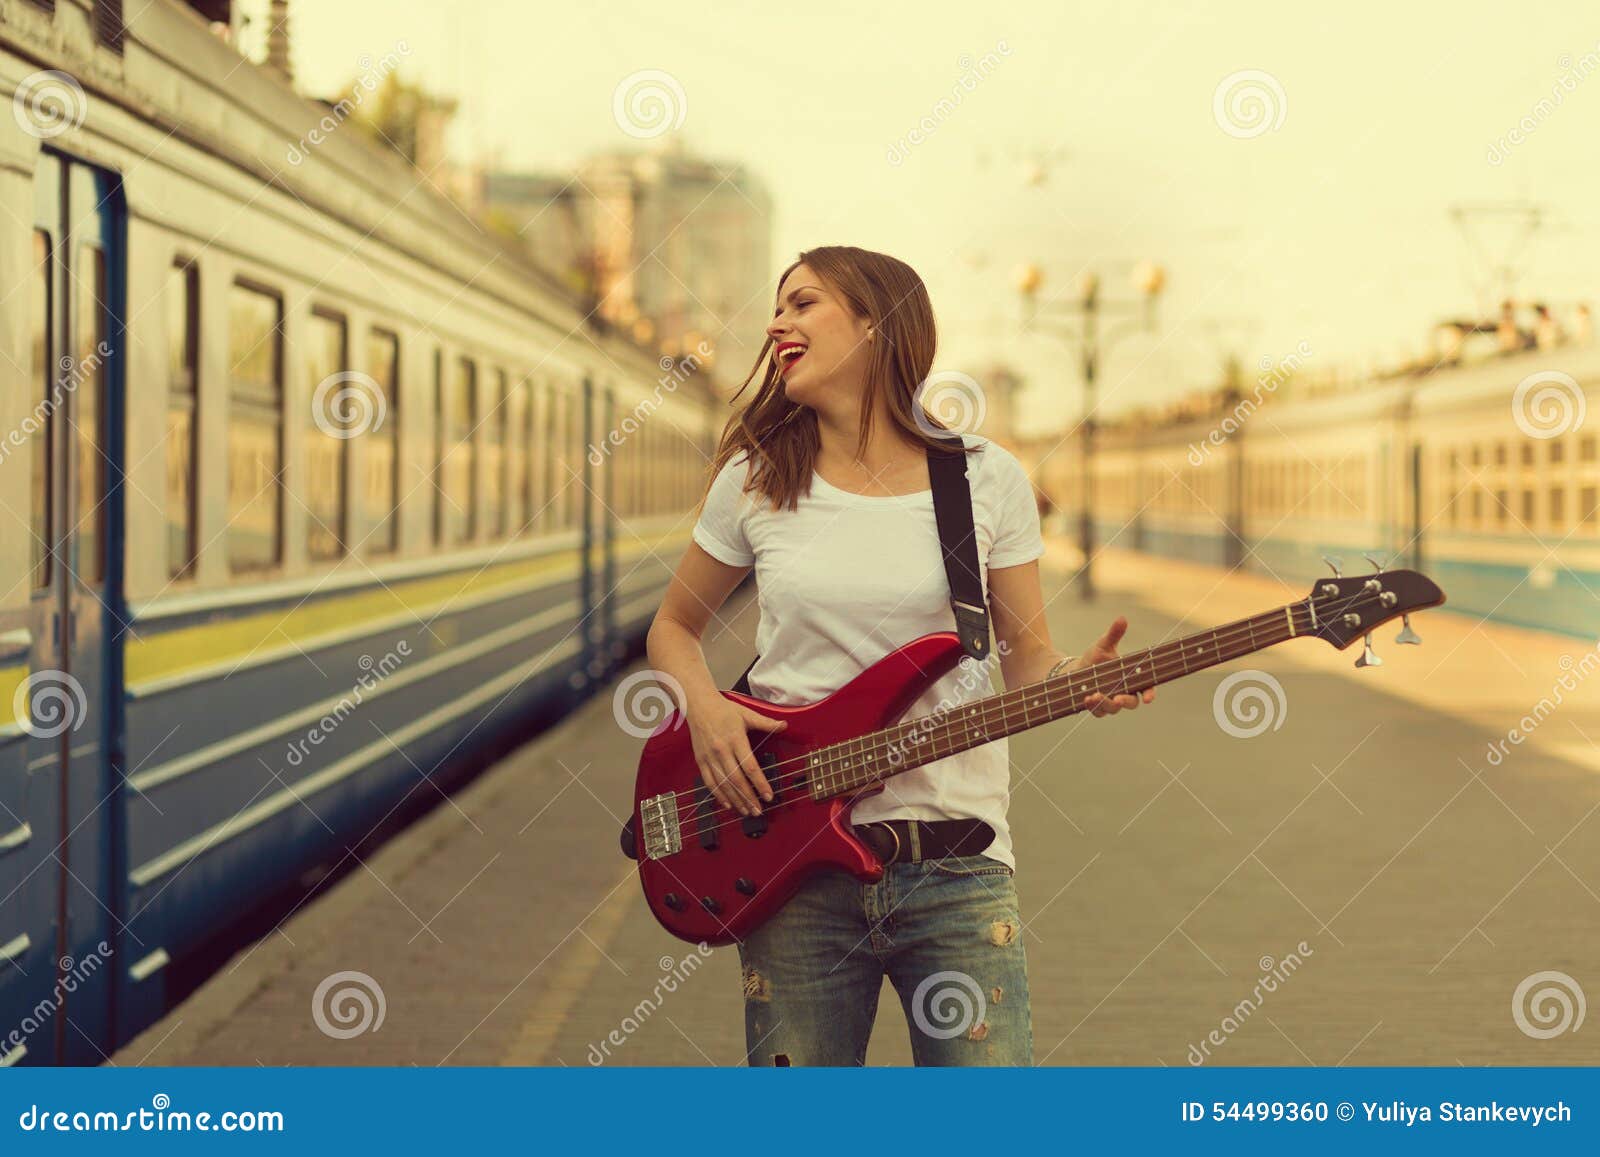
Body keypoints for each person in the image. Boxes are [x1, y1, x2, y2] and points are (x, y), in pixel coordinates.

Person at [645, 245, 1155, 1067]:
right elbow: (673, 629)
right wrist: (706, 713)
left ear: (877, 326)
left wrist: (1076, 683)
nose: (777, 322)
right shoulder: (757, 476)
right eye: (777, 306)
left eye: (804, 303)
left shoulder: (984, 480)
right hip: (794, 873)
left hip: (956, 869)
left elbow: (1026, 661)